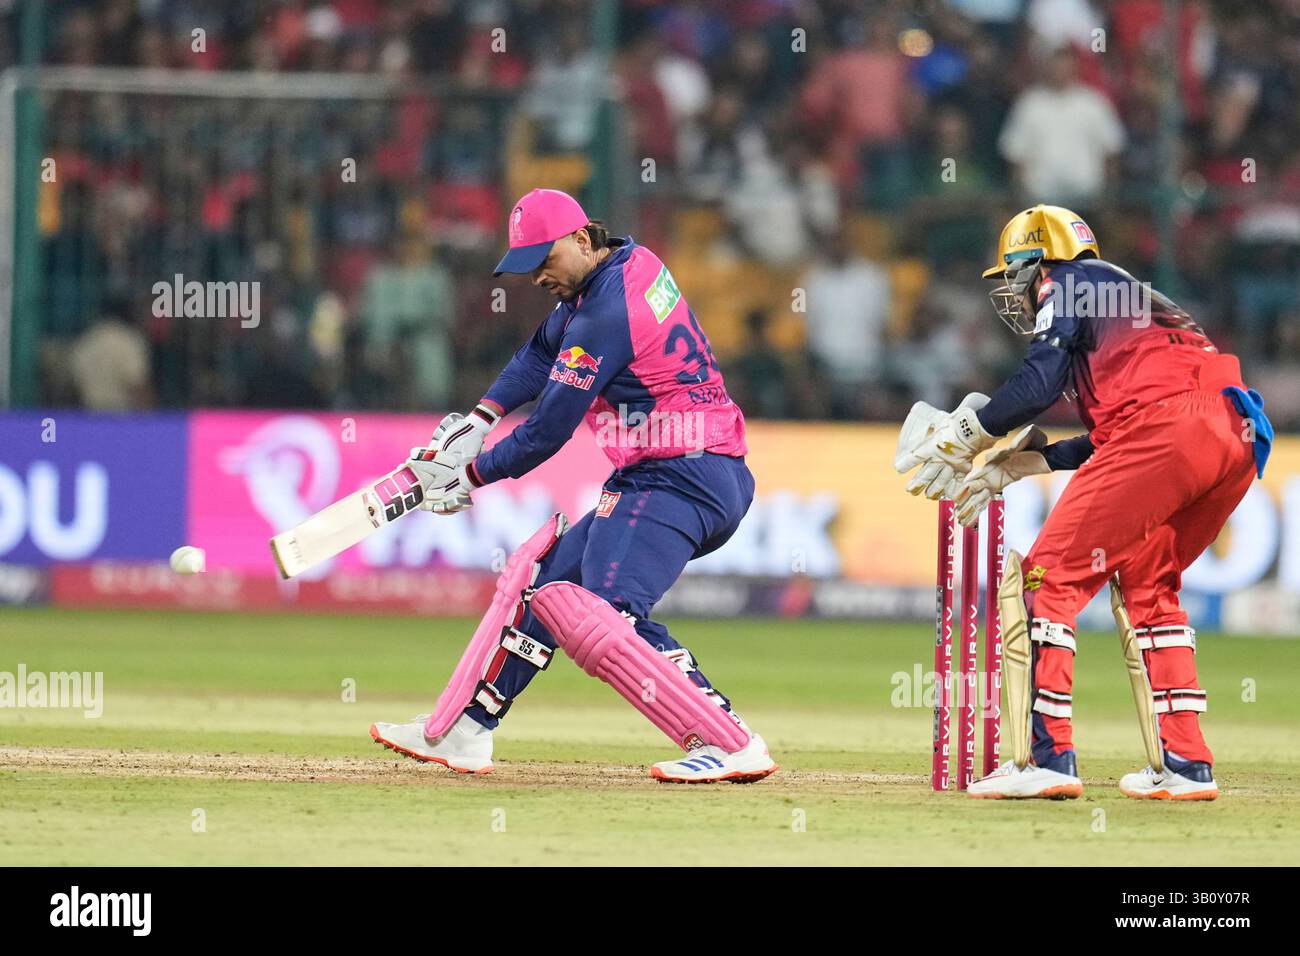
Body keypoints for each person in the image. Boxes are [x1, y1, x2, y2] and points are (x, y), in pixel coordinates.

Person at [369, 188, 777, 783]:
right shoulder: (626, 264)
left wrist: (469, 475)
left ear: (582, 238)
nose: (537, 275)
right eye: (527, 265)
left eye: (545, 260)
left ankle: (729, 738)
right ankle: (469, 729)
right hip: (670, 469)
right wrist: (478, 420)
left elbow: (546, 431)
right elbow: (539, 354)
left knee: (607, 613)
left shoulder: (605, 314)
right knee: (550, 586)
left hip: (682, 475)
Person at [895, 205, 1273, 801]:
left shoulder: (1067, 281)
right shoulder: (1128, 297)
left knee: (1046, 581)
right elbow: (1118, 429)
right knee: (1151, 588)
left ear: (1037, 262)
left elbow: (1039, 383)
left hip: (1167, 429)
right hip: (1232, 435)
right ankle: (1187, 763)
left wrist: (970, 431)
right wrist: (1023, 463)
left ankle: (1050, 760)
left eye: (1013, 276)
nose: (1014, 295)